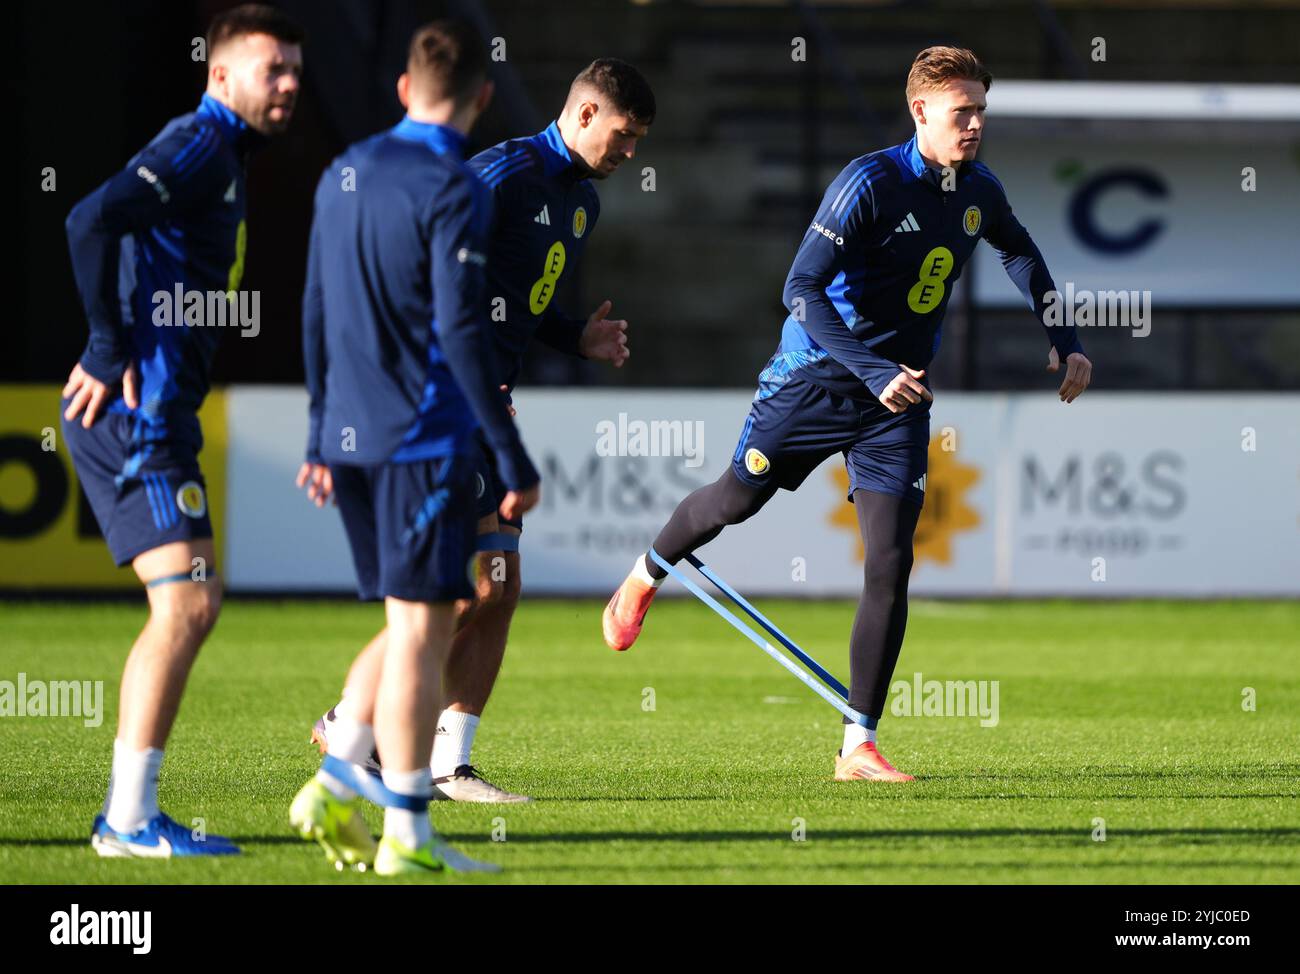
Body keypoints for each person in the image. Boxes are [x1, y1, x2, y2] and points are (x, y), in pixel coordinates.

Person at [602, 46, 1093, 782]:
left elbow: (1020, 254)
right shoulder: (869, 182)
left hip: (898, 401)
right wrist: (871, 368)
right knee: (737, 499)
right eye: (963, 112)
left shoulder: (978, 189)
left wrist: (1066, 338)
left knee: (891, 562)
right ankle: (646, 572)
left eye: (982, 110)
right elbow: (799, 289)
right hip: (818, 379)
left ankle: (856, 743)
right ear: (920, 111)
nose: (976, 124)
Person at [311, 58, 655, 803]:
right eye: (624, 136)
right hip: (444, 403)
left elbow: (514, 305)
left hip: (490, 404)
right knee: (458, 591)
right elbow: (426, 281)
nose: (631, 155)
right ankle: (350, 726)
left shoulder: (579, 203)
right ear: (586, 114)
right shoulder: (499, 175)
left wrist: (575, 338)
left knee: (497, 586)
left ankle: (450, 764)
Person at [289, 19, 539, 876]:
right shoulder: (456, 183)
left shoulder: (343, 172)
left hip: (353, 435)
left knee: (412, 622)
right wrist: (510, 456)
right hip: (420, 440)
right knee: (427, 630)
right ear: (482, 98)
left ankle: (342, 788)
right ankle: (403, 833)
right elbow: (462, 331)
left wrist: (322, 431)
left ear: (403, 88)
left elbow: (315, 308)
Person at [62, 3, 303, 857]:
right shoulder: (201, 144)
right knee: (190, 600)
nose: (288, 85)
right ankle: (128, 819)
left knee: (193, 601)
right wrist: (104, 345)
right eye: (272, 68)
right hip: (137, 413)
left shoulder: (225, 156)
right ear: (221, 73)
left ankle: (129, 814)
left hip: (160, 411)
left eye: (295, 72)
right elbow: (88, 218)